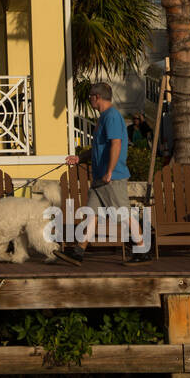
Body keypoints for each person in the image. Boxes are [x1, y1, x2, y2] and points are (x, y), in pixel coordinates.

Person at [63, 81, 144, 264]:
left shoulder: (112, 117)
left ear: (97, 97)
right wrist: (80, 158)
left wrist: (109, 171)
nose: (89, 99)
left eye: (91, 96)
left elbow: (116, 144)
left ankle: (142, 249)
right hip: (100, 178)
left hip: (111, 177)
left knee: (124, 213)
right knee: (91, 215)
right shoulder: (103, 118)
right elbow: (99, 148)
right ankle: (78, 252)